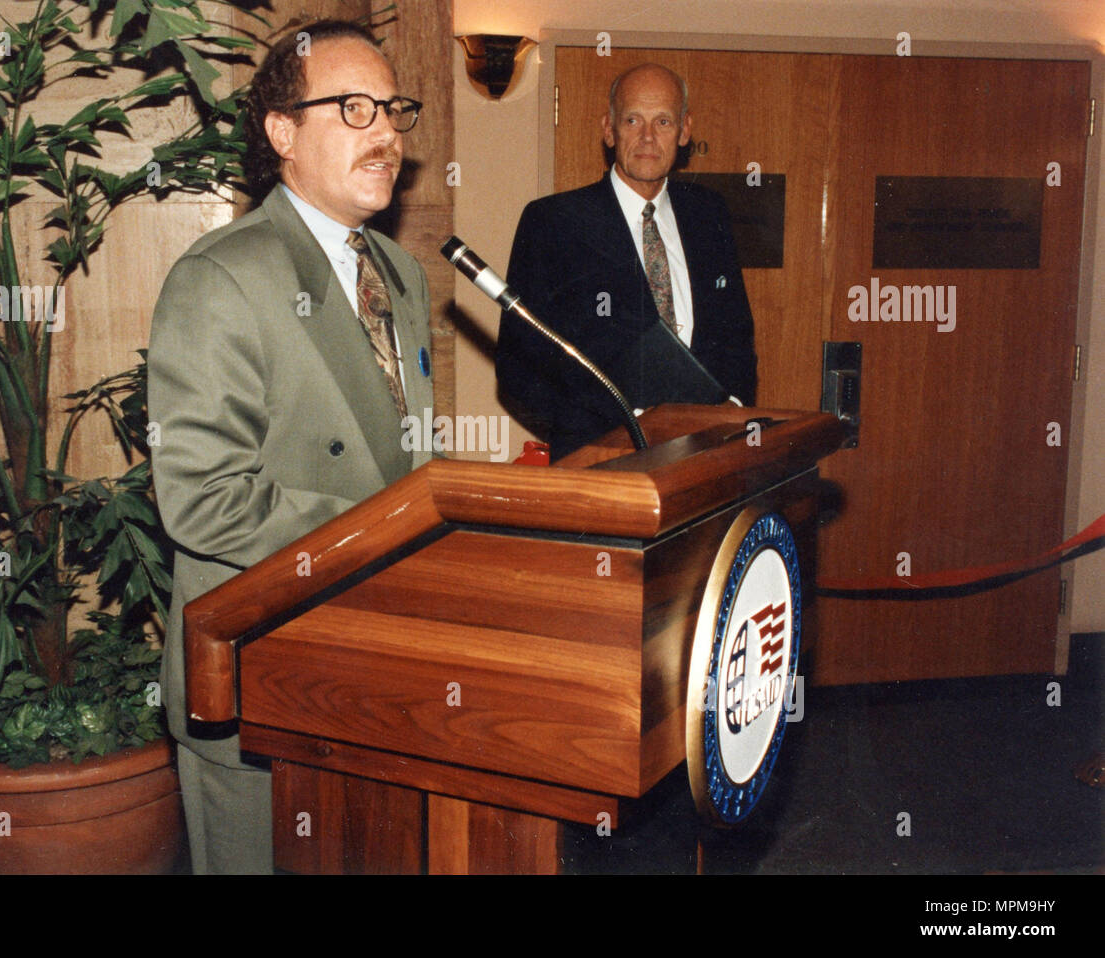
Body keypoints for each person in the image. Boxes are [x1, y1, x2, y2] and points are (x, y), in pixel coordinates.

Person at [147, 20, 434, 874]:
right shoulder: (224, 275)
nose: (384, 132)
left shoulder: (401, 272)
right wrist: (393, 535)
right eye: (353, 109)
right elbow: (203, 498)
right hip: (260, 674)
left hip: (376, 669)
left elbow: (404, 458)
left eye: (391, 109)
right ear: (282, 133)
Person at [495, 63, 757, 459]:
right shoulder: (555, 222)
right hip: (601, 462)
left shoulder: (709, 214)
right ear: (608, 129)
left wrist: (731, 414)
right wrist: (613, 432)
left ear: (685, 131)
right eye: (633, 119)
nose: (648, 137)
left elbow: (737, 339)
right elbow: (520, 367)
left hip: (705, 457)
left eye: (663, 121)